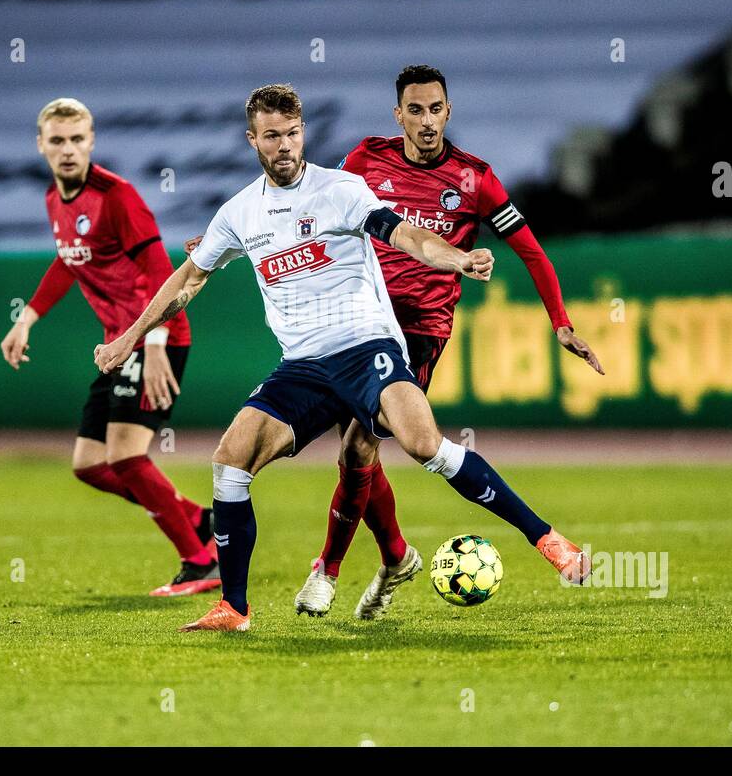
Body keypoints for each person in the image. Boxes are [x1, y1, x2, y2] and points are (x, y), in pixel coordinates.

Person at [95, 84, 589, 632]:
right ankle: (234, 608)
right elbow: (188, 278)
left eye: (293, 133)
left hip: (367, 347)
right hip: (303, 366)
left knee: (425, 445)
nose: (284, 145)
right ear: (252, 140)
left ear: (303, 132)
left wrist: (455, 259)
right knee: (229, 463)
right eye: (272, 136)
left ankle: (546, 538)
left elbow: (405, 236)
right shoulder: (238, 212)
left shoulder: (341, 190)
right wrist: (128, 338)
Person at [0, 97, 218, 599]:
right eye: (58, 141)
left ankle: (199, 561)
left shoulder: (117, 197)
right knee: (89, 465)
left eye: (77, 139)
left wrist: (157, 342)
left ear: (92, 141)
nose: (68, 150)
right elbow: (68, 262)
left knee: (125, 456)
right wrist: (26, 319)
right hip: (116, 347)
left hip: (153, 337)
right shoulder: (55, 200)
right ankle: (198, 521)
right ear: (41, 145)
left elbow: (159, 272)